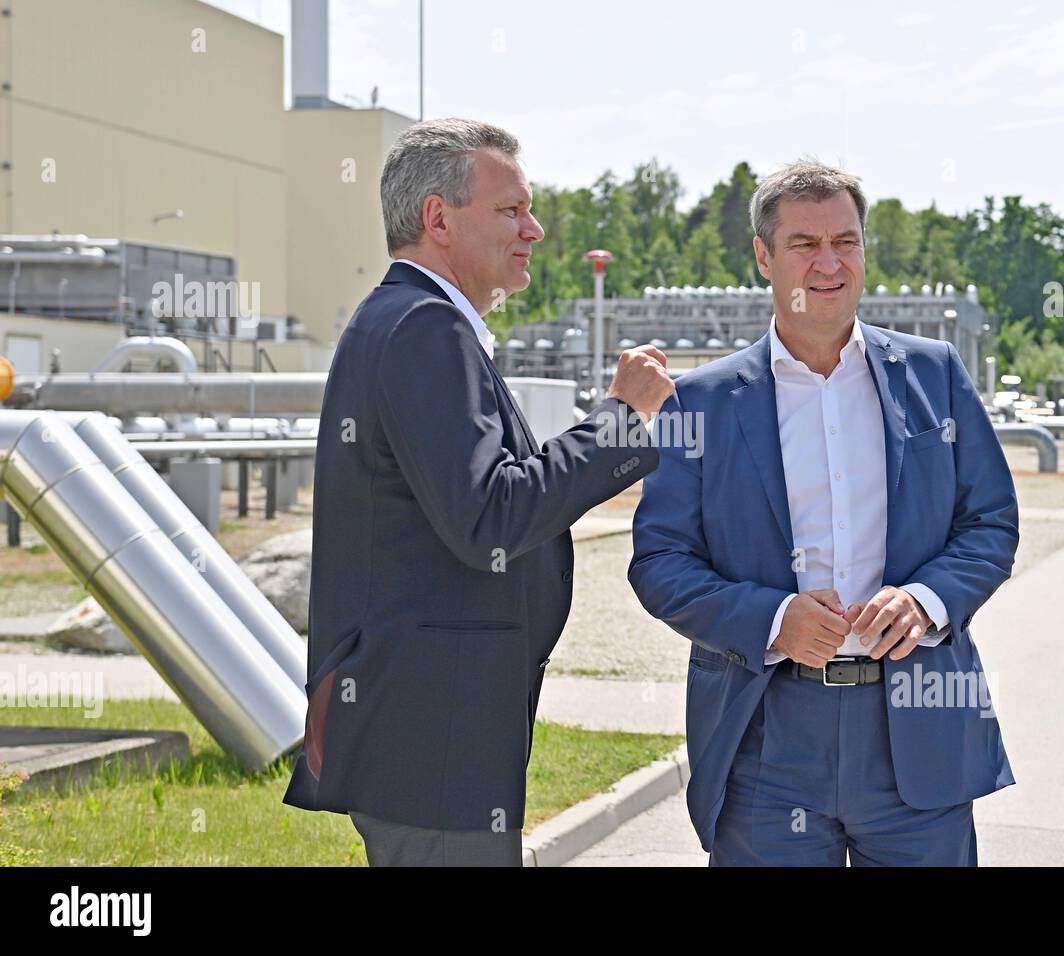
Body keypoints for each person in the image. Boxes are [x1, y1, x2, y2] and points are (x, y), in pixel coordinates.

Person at [283, 118, 675, 866]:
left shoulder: (406, 322)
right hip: (433, 739)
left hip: (430, 733)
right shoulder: (425, 328)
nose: (534, 229)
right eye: (510, 210)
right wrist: (621, 421)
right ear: (438, 218)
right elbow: (490, 516)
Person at [629, 159, 1019, 866]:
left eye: (846, 241)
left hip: (917, 740)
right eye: (805, 245)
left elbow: (991, 522)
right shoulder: (702, 402)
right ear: (763, 256)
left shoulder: (937, 376)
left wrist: (927, 601)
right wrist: (774, 619)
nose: (829, 263)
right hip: (768, 743)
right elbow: (659, 561)